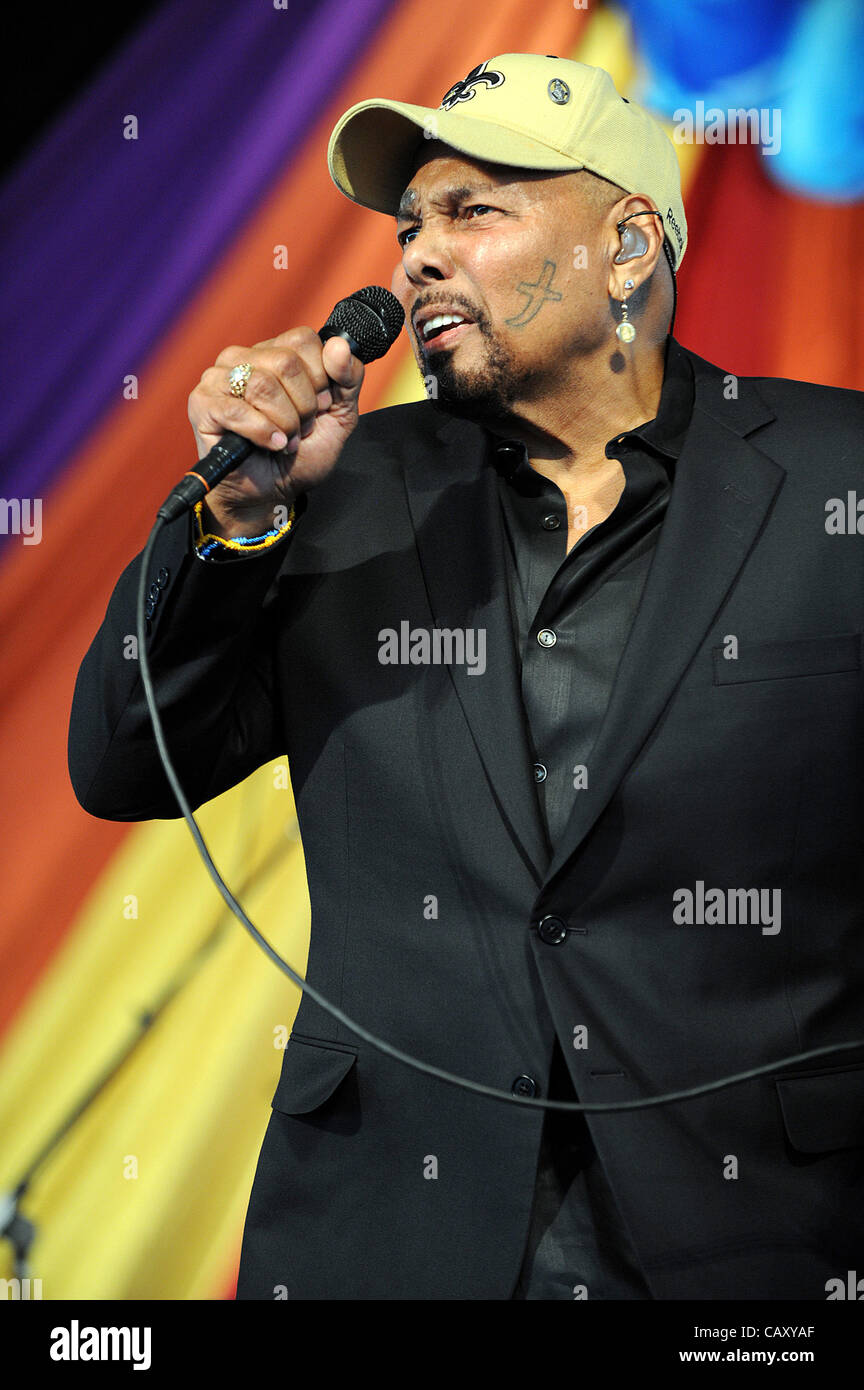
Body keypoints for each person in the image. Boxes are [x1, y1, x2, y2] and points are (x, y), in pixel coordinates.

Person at [68, 54, 864, 1301]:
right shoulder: (336, 495)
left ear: (629, 245)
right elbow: (123, 764)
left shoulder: (836, 481)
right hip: (389, 1236)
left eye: (473, 212)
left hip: (752, 1240)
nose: (415, 260)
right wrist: (234, 522)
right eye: (407, 227)